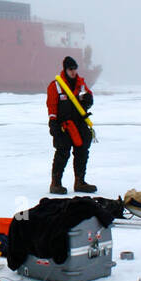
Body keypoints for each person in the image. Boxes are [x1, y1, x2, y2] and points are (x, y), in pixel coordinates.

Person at [47, 55, 95, 194]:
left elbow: (89, 100)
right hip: (64, 125)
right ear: (65, 69)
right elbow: (52, 106)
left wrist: (88, 99)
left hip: (79, 124)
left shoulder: (81, 84)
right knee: (62, 152)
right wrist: (53, 124)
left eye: (75, 69)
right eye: (70, 69)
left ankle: (80, 182)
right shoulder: (55, 86)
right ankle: (56, 183)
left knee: (82, 152)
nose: (73, 72)